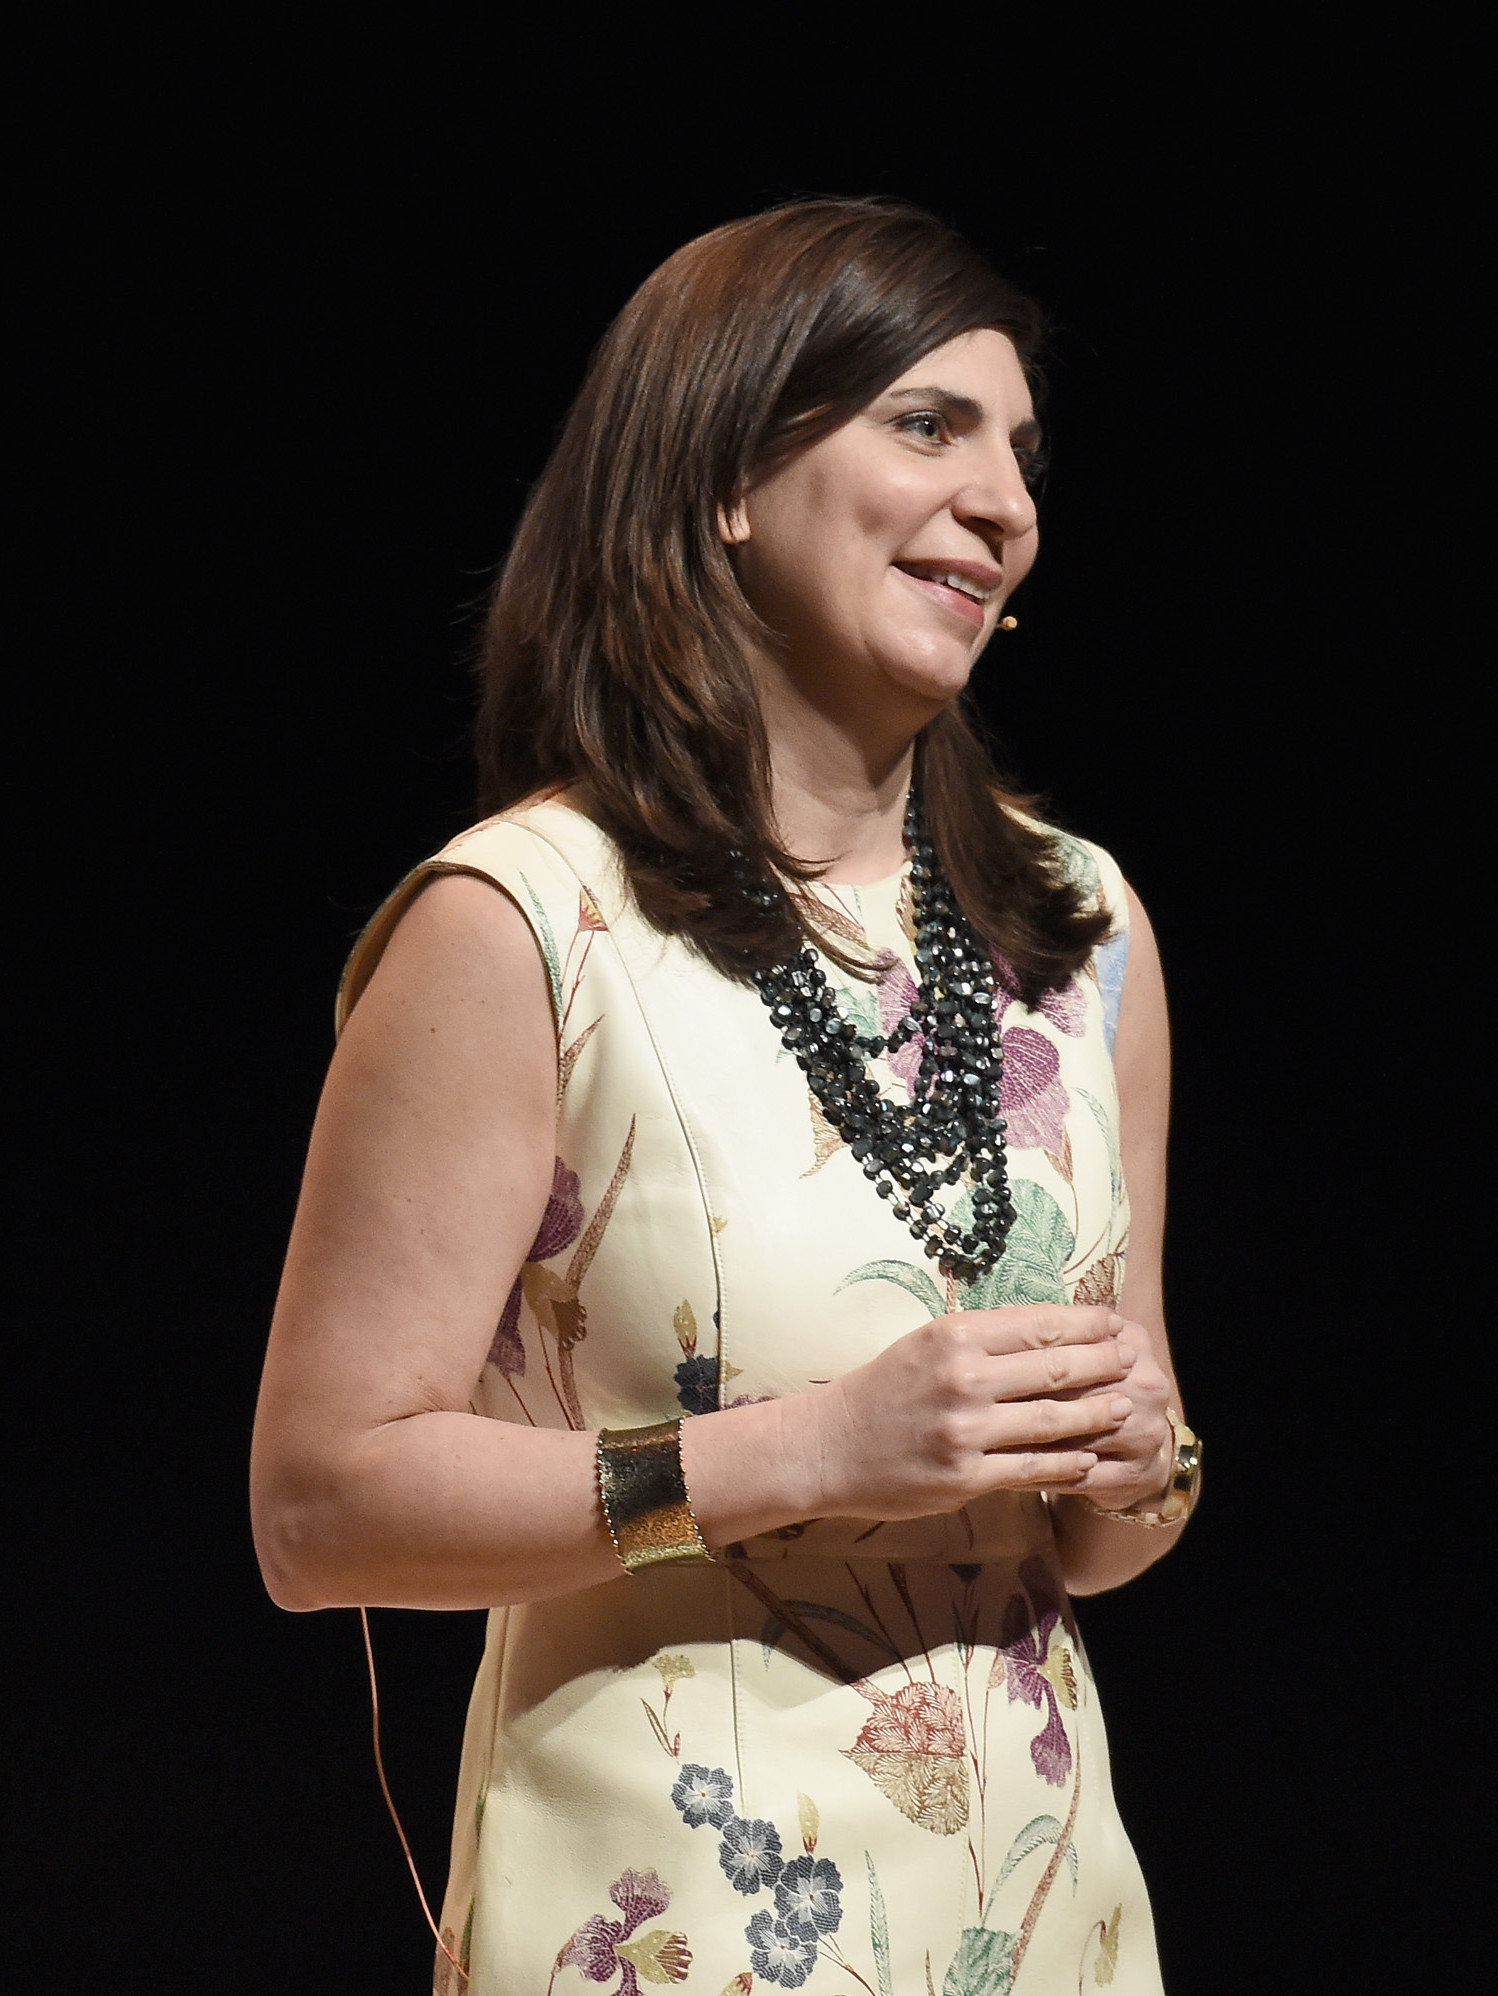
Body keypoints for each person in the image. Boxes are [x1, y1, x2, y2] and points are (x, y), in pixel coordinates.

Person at [251, 197, 1198, 1994]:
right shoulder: (525, 922)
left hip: (1050, 1921)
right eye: (929, 424)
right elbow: (316, 1511)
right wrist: (807, 1456)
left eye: (1023, 448)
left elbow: (1115, 1525)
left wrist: (1151, 1459)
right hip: (678, 1918)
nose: (1008, 502)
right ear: (724, 480)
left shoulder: (1082, 932)